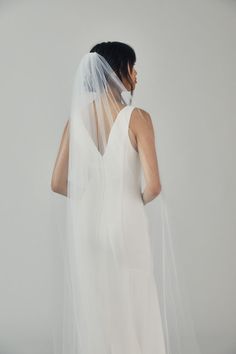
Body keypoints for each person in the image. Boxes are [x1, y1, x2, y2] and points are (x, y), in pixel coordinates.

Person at [50, 41, 201, 354]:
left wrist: (92, 199)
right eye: (133, 67)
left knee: (98, 304)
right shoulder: (138, 118)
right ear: (118, 70)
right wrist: (129, 202)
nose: (137, 75)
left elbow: (56, 183)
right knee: (135, 300)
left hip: (88, 229)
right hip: (126, 224)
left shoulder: (75, 122)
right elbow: (154, 185)